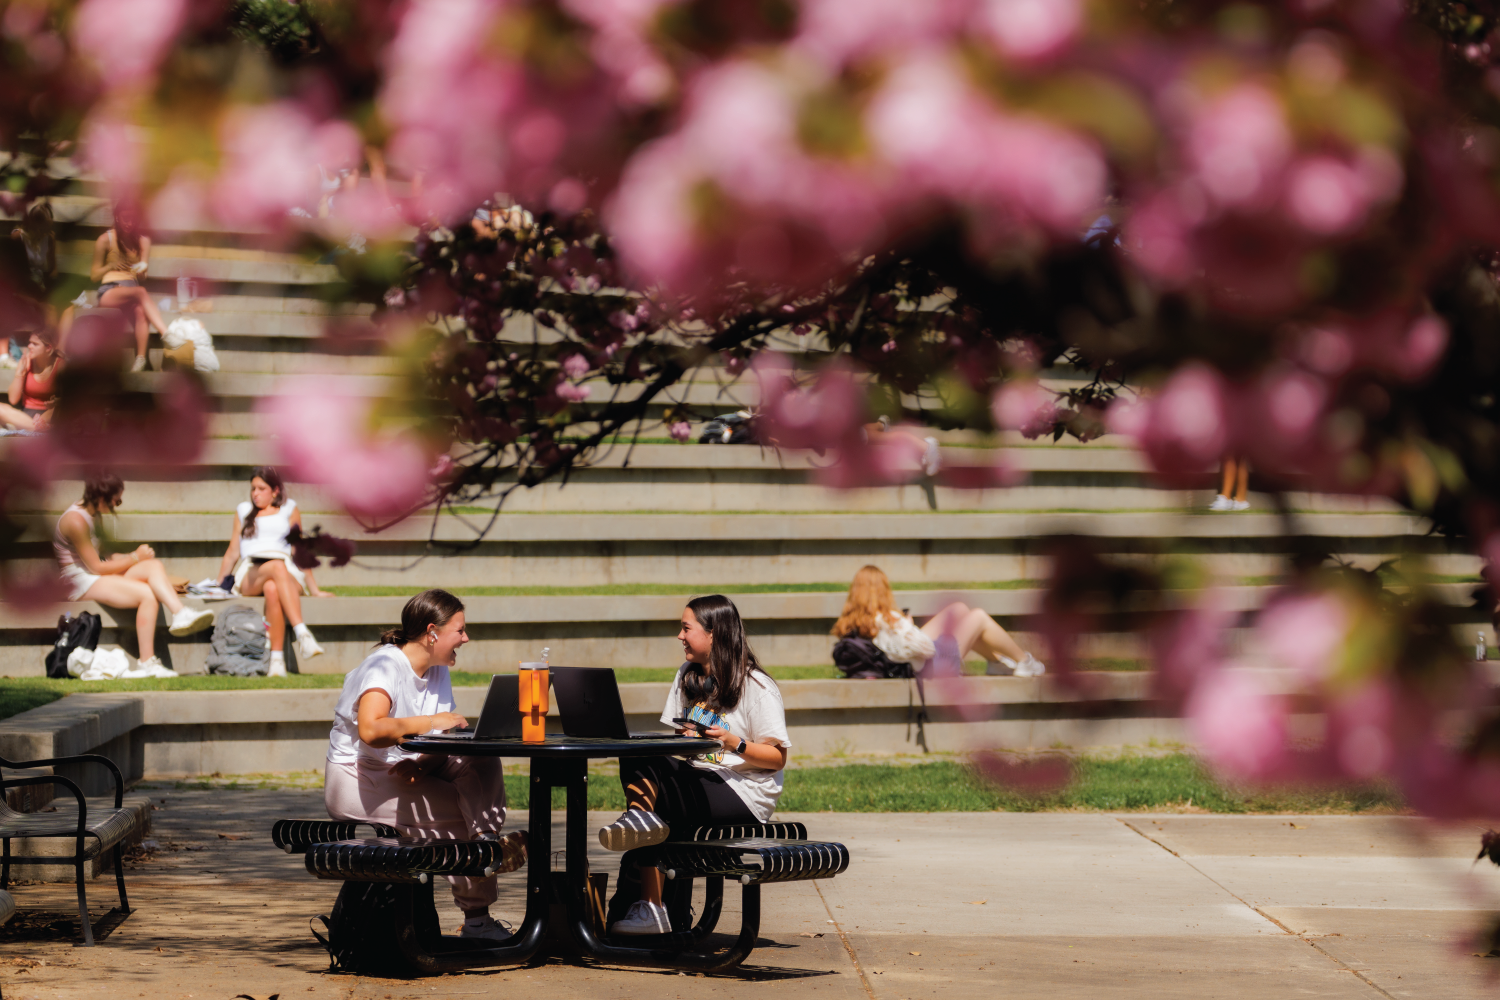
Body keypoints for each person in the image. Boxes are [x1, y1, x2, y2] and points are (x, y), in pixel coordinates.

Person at [323, 589, 514, 942]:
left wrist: (426, 763)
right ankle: (478, 917)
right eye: (460, 631)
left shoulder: (437, 670)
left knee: (481, 755)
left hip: (405, 764)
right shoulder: (383, 666)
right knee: (459, 817)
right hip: (358, 776)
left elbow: (443, 734)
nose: (466, 638)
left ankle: (487, 840)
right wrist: (428, 722)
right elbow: (372, 729)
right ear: (432, 633)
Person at [597, 594, 791, 936]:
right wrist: (686, 734)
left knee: (656, 803)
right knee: (637, 754)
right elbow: (678, 741)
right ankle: (645, 841)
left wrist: (734, 742)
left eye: (686, 628)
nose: (680, 636)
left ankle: (652, 899)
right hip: (701, 779)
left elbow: (777, 758)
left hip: (744, 791)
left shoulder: (757, 686)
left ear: (714, 633)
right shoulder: (687, 676)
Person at [54, 474, 215, 677]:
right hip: (79, 581)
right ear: (102, 498)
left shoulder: (94, 514)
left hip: (95, 573)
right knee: (147, 594)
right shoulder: (76, 521)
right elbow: (95, 567)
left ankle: (179, 612)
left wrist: (140, 558)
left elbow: (107, 556)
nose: (118, 505)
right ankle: (147, 662)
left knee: (153, 565)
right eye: (117, 500)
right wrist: (134, 557)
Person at [212, 466, 327, 676]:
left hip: (284, 570)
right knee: (276, 567)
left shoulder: (289, 508)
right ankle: (302, 633)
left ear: (275, 490)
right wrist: (218, 586)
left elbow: (298, 549)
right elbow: (233, 552)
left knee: (273, 587)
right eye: (253, 488)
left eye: (261, 488)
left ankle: (276, 661)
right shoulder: (243, 510)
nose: (255, 493)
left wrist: (315, 589)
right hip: (251, 572)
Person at [832, 565, 1046, 677]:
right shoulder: (889, 619)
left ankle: (996, 663)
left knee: (959, 609)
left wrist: (907, 628)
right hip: (934, 666)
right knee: (978, 616)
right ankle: (1025, 662)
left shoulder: (853, 620)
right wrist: (908, 627)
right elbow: (925, 649)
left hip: (907, 660)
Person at [89, 202, 172, 372]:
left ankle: (141, 360)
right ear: (117, 218)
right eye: (125, 219)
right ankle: (167, 334)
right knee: (141, 292)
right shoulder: (106, 239)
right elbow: (94, 275)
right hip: (110, 291)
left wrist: (142, 269)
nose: (129, 223)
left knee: (141, 311)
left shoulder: (143, 241)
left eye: (133, 219)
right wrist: (109, 266)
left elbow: (143, 274)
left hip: (131, 291)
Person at [0, 327, 61, 431]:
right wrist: (19, 374)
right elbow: (13, 399)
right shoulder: (27, 362)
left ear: (48, 348)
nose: (29, 346)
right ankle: (39, 429)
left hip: (50, 416)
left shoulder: (61, 365)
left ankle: (38, 428)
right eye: (29, 343)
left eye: (35, 344)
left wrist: (57, 402)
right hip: (26, 416)